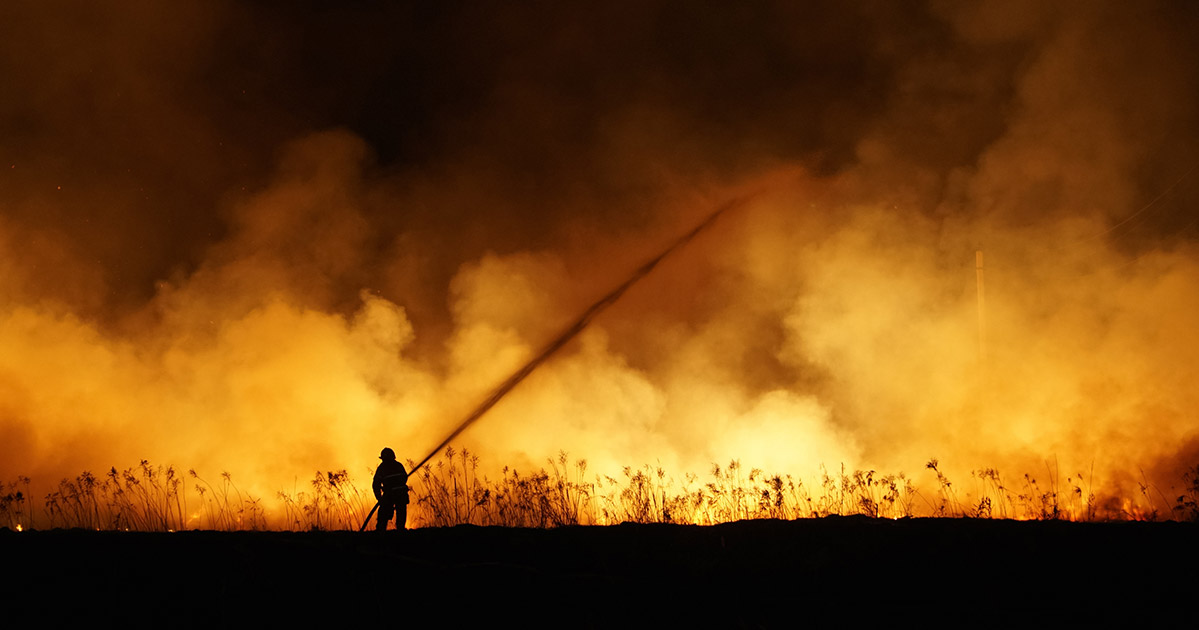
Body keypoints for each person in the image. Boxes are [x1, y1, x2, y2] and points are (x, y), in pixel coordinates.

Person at [373, 447, 409, 531]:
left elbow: (376, 484)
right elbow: (404, 478)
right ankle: (400, 529)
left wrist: (379, 498)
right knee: (401, 511)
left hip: (390, 495)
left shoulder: (382, 468)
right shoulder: (399, 465)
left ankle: (380, 531)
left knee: (383, 513)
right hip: (401, 493)